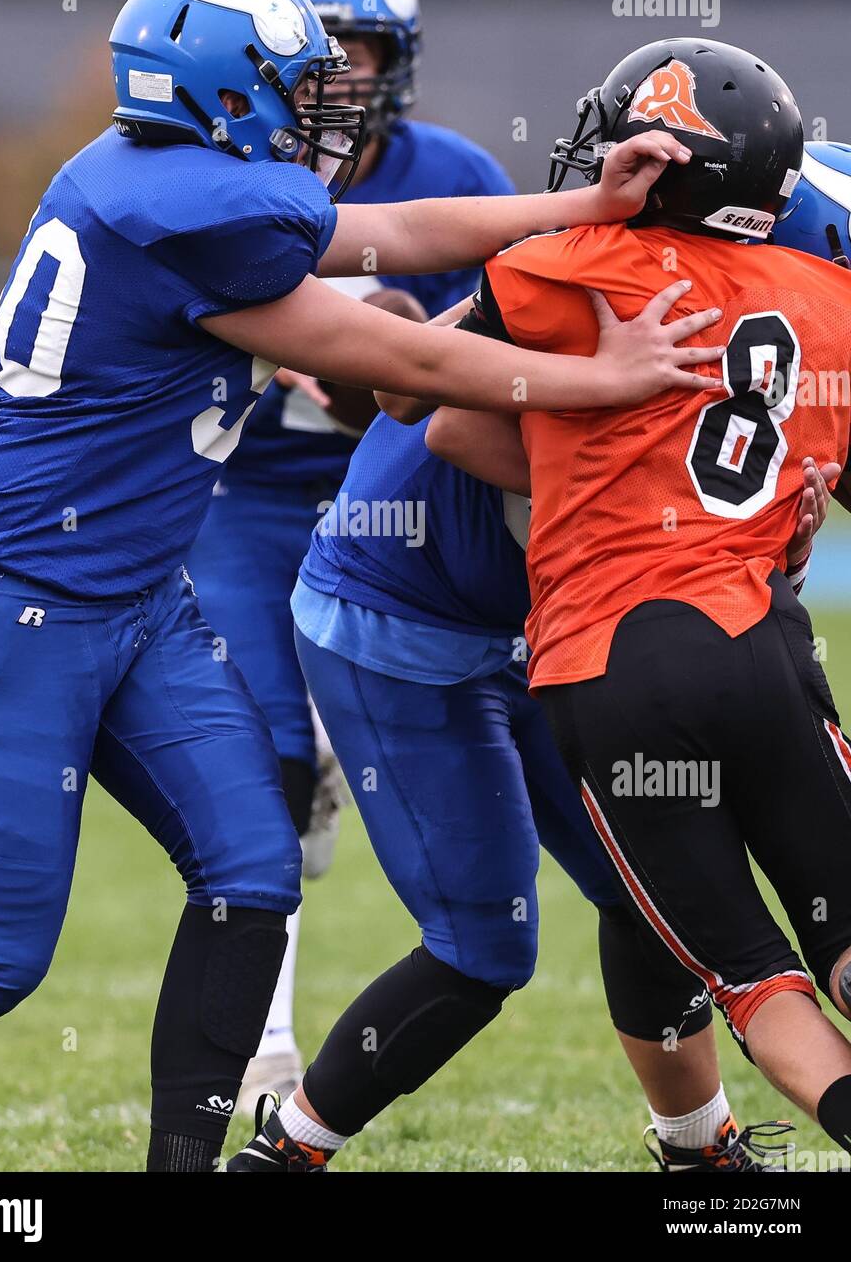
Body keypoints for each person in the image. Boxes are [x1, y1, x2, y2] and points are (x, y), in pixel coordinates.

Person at [0, 0, 719, 1174]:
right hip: (16, 607)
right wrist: (610, 376)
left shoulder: (166, 177)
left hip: (141, 598)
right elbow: (399, 358)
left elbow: (394, 232)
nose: (319, 115)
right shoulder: (181, 212)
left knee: (249, 871)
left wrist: (584, 206)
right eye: (295, 88)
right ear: (223, 92)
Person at [226, 286, 830, 1173]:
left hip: (545, 625)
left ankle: (699, 1152)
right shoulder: (579, 278)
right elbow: (443, 422)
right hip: (402, 620)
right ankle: (282, 1155)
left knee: (651, 891)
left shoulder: (773, 323)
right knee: (484, 949)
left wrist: (761, 540)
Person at [426, 39, 851, 1152]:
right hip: (758, 641)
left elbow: (410, 394)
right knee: (841, 924)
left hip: (605, 668)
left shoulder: (574, 265)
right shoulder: (830, 303)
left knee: (752, 975)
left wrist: (590, 424)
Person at [185, 0, 514, 1110]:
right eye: (312, 57)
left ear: (398, 62)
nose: (335, 80)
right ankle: (269, 1047)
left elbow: (530, 323)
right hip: (248, 500)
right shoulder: (220, 168)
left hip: (409, 505)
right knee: (259, 763)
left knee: (520, 741)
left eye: (357, 52)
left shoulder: (457, 172)